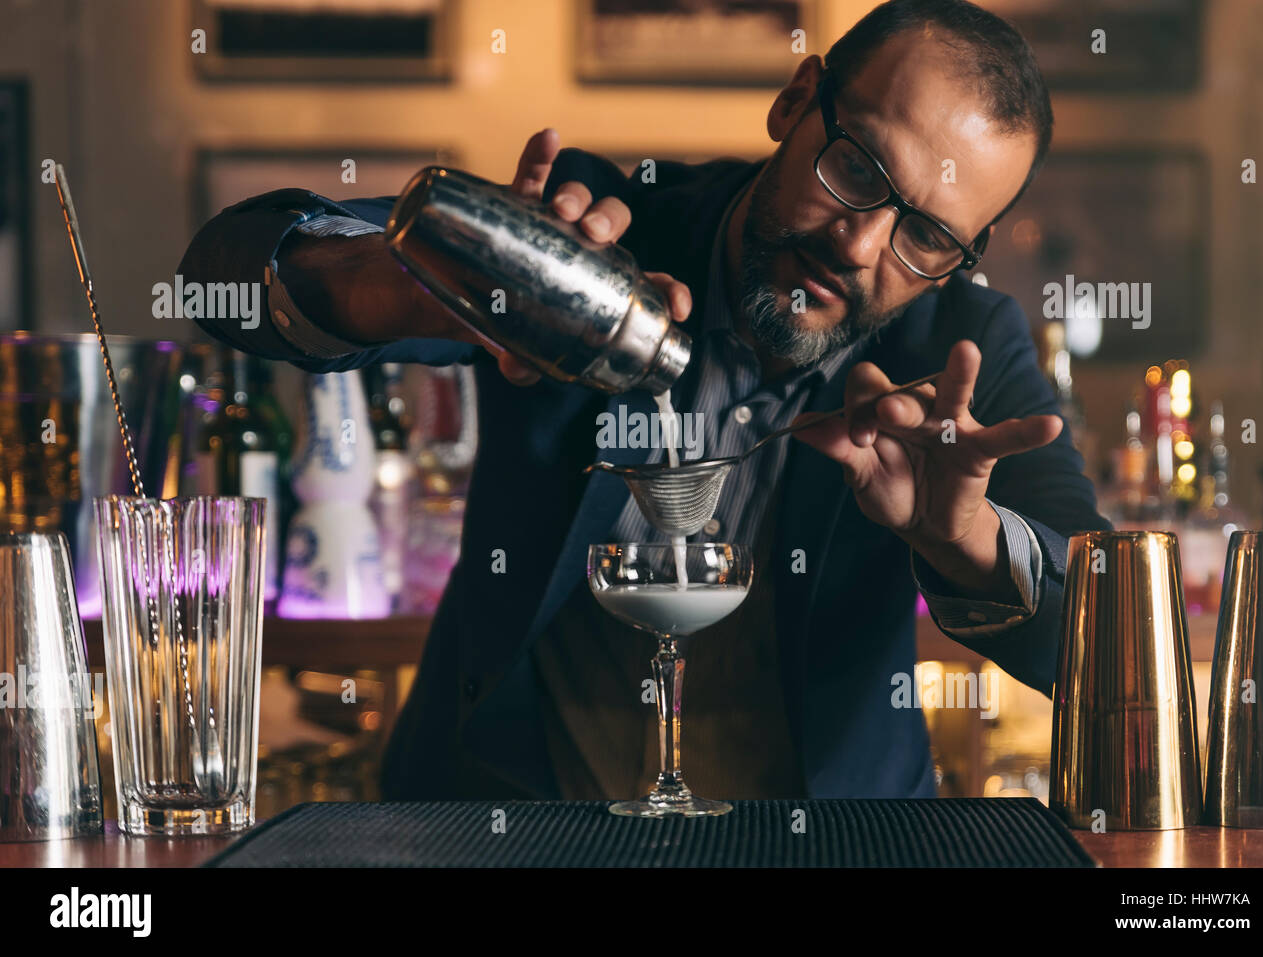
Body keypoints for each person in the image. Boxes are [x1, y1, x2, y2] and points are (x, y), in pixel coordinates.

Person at [179, 0, 1110, 801]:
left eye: (931, 236)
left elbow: (1107, 650)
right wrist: (433, 282)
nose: (864, 246)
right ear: (796, 102)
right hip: (506, 831)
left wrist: (969, 543)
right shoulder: (606, 224)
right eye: (859, 170)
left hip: (830, 844)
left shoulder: (962, 349)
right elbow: (222, 277)